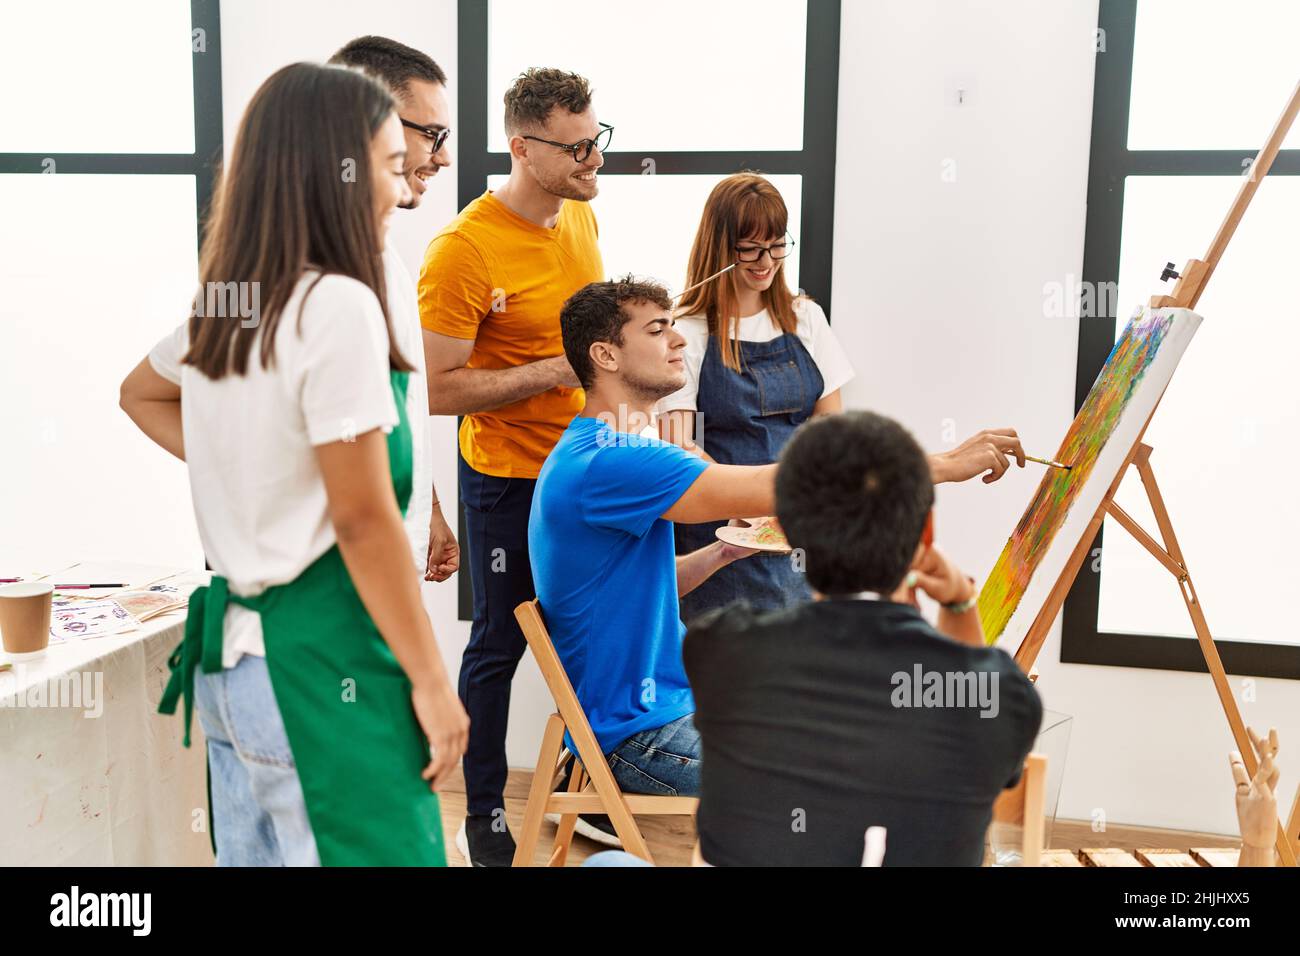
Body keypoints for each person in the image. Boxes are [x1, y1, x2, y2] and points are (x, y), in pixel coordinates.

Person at [118, 63, 467, 865]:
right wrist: (432, 682)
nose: (400, 189)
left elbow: (145, 395)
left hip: (234, 673)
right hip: (321, 670)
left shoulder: (227, 300)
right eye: (388, 166)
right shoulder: (339, 302)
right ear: (333, 174)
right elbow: (363, 517)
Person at [659, 172, 1029, 623]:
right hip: (725, 541)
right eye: (750, 248)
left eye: (777, 245)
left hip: (802, 532)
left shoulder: (804, 317)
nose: (767, 260)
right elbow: (681, 451)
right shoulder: (687, 332)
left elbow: (832, 439)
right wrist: (748, 506)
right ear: (719, 248)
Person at [683, 411, 1042, 866]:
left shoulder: (720, 647)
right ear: (925, 535)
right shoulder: (1000, 693)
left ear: (786, 534)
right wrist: (959, 603)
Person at [418, 67, 607, 865]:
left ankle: (586, 795)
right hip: (505, 481)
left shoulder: (580, 219)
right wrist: (552, 372)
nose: (593, 161)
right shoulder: (462, 251)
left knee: (593, 638)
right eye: (576, 149)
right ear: (521, 147)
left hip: (585, 468)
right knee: (502, 641)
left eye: (598, 141)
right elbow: (438, 389)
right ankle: (484, 816)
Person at [531, 276, 782, 803]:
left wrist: (721, 552)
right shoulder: (612, 458)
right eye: (658, 329)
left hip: (665, 712)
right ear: (606, 355)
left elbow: (637, 584)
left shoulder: (598, 447)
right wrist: (941, 466)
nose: (679, 340)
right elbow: (768, 488)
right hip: (640, 740)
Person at [328, 36, 458, 583]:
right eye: (433, 134)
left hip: (386, 577)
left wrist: (425, 507)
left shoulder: (386, 259)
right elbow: (151, 392)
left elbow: (391, 410)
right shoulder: (313, 262)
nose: (445, 156)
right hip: (341, 595)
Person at [1231, 726, 1281, 867]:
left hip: (1260, 850)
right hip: (1252, 847)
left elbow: (1272, 773)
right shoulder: (1263, 796)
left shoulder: (1267, 797)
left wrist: (1259, 780)